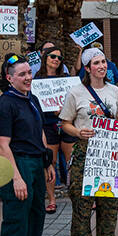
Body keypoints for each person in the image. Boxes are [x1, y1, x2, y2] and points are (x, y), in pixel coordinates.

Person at [58, 47, 118, 236]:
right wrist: (78, 133)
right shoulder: (76, 93)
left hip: (108, 155)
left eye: (104, 62)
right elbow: (65, 123)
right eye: (96, 63)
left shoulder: (114, 91)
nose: (102, 66)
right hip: (84, 153)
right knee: (82, 205)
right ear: (87, 68)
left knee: (109, 205)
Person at [0, 54, 59, 236]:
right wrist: (16, 177)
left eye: (29, 72)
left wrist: (47, 162)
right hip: (17, 164)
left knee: (36, 214)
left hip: (35, 164)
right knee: (16, 221)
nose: (28, 77)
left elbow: (40, 132)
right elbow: (2, 145)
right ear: (10, 78)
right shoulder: (5, 105)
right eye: (22, 74)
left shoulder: (33, 99)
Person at [34, 45, 73, 214]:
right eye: (52, 57)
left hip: (66, 123)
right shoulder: (37, 78)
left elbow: (74, 100)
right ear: (45, 58)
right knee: (51, 162)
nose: (56, 60)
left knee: (72, 160)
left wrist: (63, 110)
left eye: (59, 57)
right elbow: (35, 104)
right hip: (48, 124)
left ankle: (77, 196)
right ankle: (51, 199)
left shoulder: (66, 78)